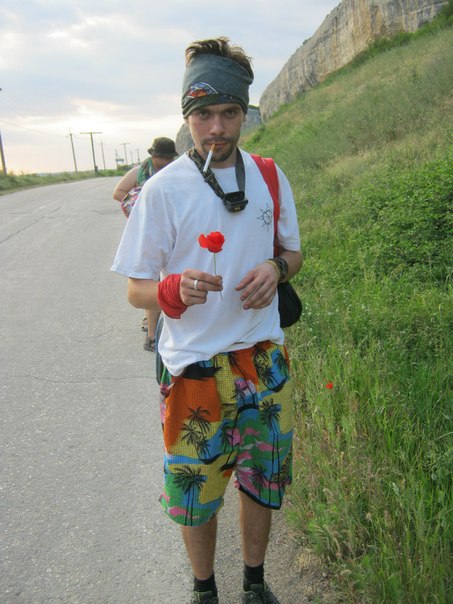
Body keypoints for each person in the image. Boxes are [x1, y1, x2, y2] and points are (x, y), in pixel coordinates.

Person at [112, 37, 302, 604]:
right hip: (192, 368)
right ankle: (205, 590)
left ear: (244, 113)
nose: (216, 128)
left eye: (229, 113)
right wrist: (168, 289)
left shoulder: (270, 176)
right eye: (202, 115)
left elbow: (294, 253)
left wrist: (276, 267)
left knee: (262, 483)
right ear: (186, 117)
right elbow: (135, 289)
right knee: (195, 496)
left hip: (263, 359)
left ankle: (255, 583)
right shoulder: (162, 190)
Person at [113, 137, 178, 351]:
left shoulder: (175, 172)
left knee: (160, 278)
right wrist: (139, 202)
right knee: (150, 280)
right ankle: (151, 336)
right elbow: (118, 193)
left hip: (170, 231)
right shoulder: (138, 173)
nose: (165, 162)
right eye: (162, 157)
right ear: (153, 155)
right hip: (147, 231)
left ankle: (151, 323)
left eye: (169, 158)